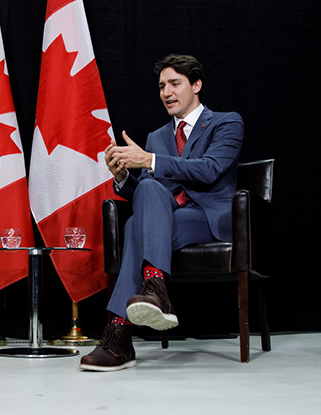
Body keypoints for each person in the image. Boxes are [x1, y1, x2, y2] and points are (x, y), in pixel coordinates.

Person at [79, 54, 244, 371]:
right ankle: (155, 290)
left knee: (133, 229)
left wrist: (150, 160)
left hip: (208, 218)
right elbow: (148, 191)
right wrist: (123, 177)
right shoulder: (157, 137)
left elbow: (210, 170)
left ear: (196, 85)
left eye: (174, 83)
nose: (166, 92)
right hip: (169, 218)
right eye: (161, 86)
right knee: (149, 190)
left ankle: (117, 337)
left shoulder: (227, 122)